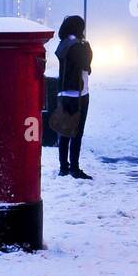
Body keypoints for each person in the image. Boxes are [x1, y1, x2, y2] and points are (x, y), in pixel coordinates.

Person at [55, 14, 93, 180]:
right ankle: (75, 168)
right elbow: (86, 64)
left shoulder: (63, 43)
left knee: (65, 131)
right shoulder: (78, 45)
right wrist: (88, 48)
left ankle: (64, 167)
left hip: (64, 91)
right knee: (77, 132)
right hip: (79, 93)